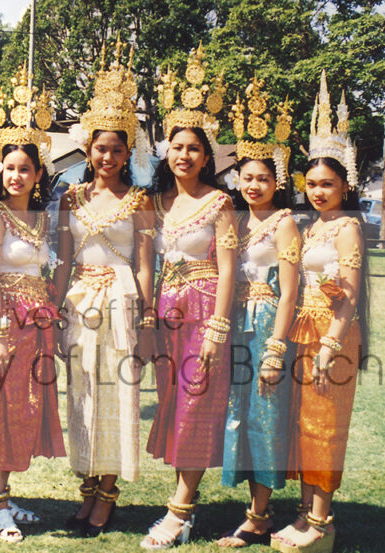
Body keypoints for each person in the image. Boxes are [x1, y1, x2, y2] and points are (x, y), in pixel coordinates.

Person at [54, 39, 156, 538]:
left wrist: (147, 316)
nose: (108, 156)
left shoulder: (140, 200)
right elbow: (63, 259)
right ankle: (86, 490)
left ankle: (107, 497)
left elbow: (144, 261)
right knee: (82, 395)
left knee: (116, 394)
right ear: (88, 148)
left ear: (127, 151)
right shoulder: (69, 198)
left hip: (120, 301)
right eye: (101, 148)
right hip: (78, 303)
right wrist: (54, 311)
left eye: (118, 149)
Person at [142, 45, 238, 549]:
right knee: (174, 404)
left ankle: (180, 511)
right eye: (177, 146)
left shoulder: (220, 203)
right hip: (166, 317)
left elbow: (228, 269)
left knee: (196, 405)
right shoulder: (157, 204)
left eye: (194, 149)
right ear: (167, 152)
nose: (184, 155)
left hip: (204, 315)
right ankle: (182, 500)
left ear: (207, 156)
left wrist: (218, 329)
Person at [271, 72, 368, 553]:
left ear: (345, 184)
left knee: (324, 425)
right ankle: (306, 514)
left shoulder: (348, 228)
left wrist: (330, 347)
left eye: (327, 184)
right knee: (303, 423)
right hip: (303, 331)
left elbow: (348, 298)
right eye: (310, 184)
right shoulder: (311, 228)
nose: (317, 192)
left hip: (330, 336)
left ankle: (321, 521)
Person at [0, 67, 66, 543]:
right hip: (5, 322)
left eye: (24, 168)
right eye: (9, 167)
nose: (15, 175)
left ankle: (2, 496)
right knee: (1, 409)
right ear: (0, 171)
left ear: (38, 174)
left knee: (25, 409)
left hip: (38, 324)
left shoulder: (41, 219)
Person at [216, 78, 300, 548]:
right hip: (235, 326)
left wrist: (274, 349)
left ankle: (259, 515)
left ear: (278, 182)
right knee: (238, 414)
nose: (254, 185)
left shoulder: (284, 223)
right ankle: (253, 511)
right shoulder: (235, 218)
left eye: (263, 178)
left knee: (265, 416)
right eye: (246, 177)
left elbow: (289, 292)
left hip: (267, 325)